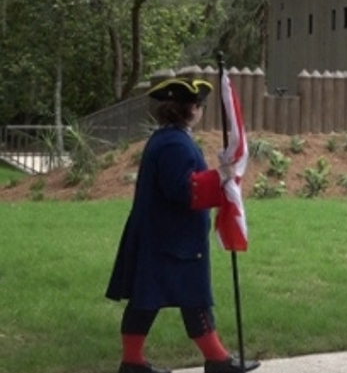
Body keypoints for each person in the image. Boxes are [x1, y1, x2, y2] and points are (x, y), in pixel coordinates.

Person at [105, 77, 260, 373]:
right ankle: (215, 361)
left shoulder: (167, 138)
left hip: (162, 235)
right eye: (200, 105)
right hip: (172, 239)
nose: (201, 110)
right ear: (191, 109)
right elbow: (183, 189)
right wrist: (220, 176)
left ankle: (136, 362)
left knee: (149, 298)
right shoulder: (174, 143)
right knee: (187, 297)